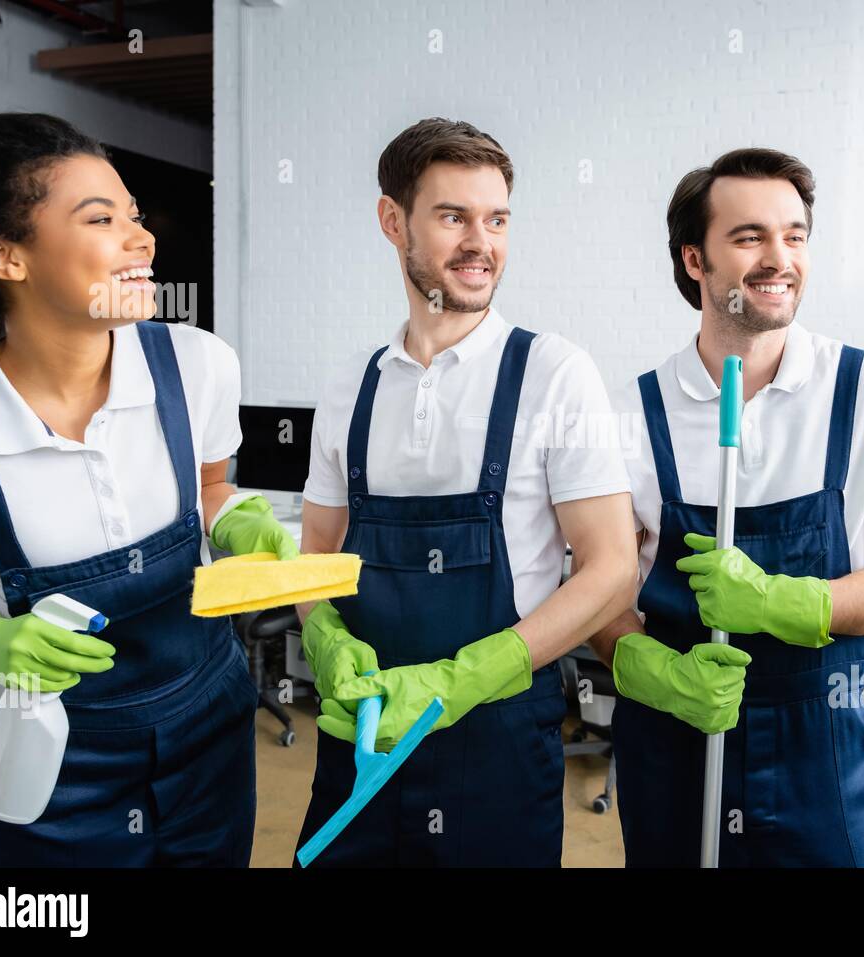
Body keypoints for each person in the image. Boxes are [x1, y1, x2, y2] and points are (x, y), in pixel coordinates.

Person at [0, 112, 298, 866]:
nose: (144, 239)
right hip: (53, 760)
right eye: (102, 219)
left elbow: (208, 489)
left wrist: (240, 522)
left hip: (209, 730)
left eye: (135, 216)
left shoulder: (197, 365)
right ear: (6, 255)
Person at [293, 118, 637, 866]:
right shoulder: (352, 383)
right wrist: (324, 638)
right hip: (364, 731)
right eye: (454, 217)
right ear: (394, 222)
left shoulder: (553, 373)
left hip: (500, 743)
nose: (482, 243)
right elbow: (316, 547)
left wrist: (465, 679)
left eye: (498, 219)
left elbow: (612, 566)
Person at [592, 147, 864, 866]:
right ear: (695, 260)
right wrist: (647, 668)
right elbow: (600, 588)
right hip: (674, 739)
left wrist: (788, 601)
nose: (779, 257)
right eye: (749, 236)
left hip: (822, 748)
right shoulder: (632, 411)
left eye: (795, 235)